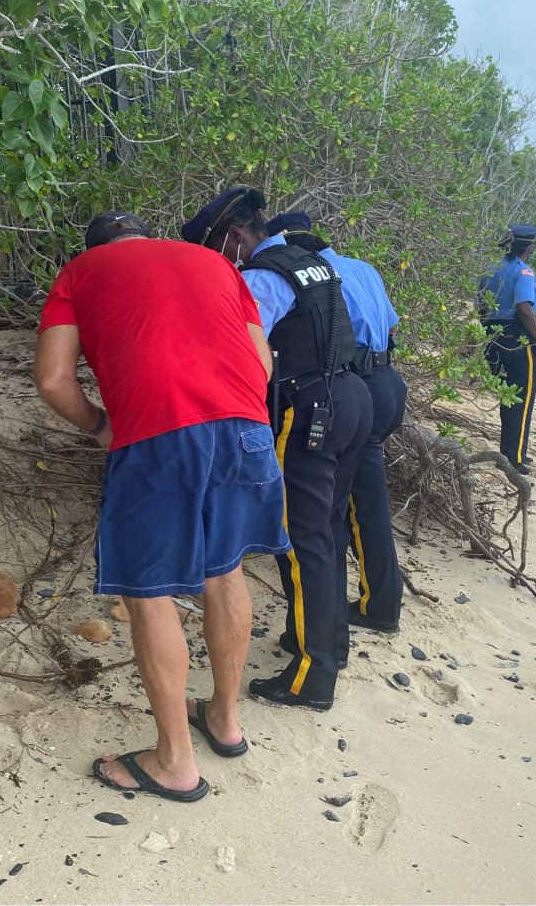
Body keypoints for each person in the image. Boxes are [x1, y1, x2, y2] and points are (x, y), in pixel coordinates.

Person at [34, 210, 289, 802]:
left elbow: (51, 380)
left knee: (148, 591)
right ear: (148, 236)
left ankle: (175, 761)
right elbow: (264, 361)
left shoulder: (80, 273)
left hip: (158, 435)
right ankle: (224, 721)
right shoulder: (219, 262)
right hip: (246, 427)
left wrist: (101, 426)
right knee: (225, 569)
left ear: (97, 246)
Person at [182, 189, 371, 711]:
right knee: (328, 529)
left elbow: (240, 349)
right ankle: (325, 643)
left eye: (218, 246)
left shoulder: (262, 278)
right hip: (349, 397)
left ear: (236, 237)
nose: (220, 258)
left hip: (307, 410)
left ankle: (312, 677)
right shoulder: (310, 263)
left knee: (300, 540)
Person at [266, 212, 408, 643]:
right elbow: (392, 324)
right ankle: (379, 602)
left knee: (336, 510)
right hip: (385, 381)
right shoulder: (363, 268)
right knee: (369, 501)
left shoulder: (315, 276)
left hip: (347, 382)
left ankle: (331, 623)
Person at [477, 224, 536, 475]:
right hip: (517, 340)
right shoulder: (524, 273)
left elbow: (482, 307)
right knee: (521, 399)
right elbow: (524, 308)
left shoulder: (491, 270)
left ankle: (512, 451)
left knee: (507, 396)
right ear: (529, 248)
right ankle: (514, 457)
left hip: (493, 339)